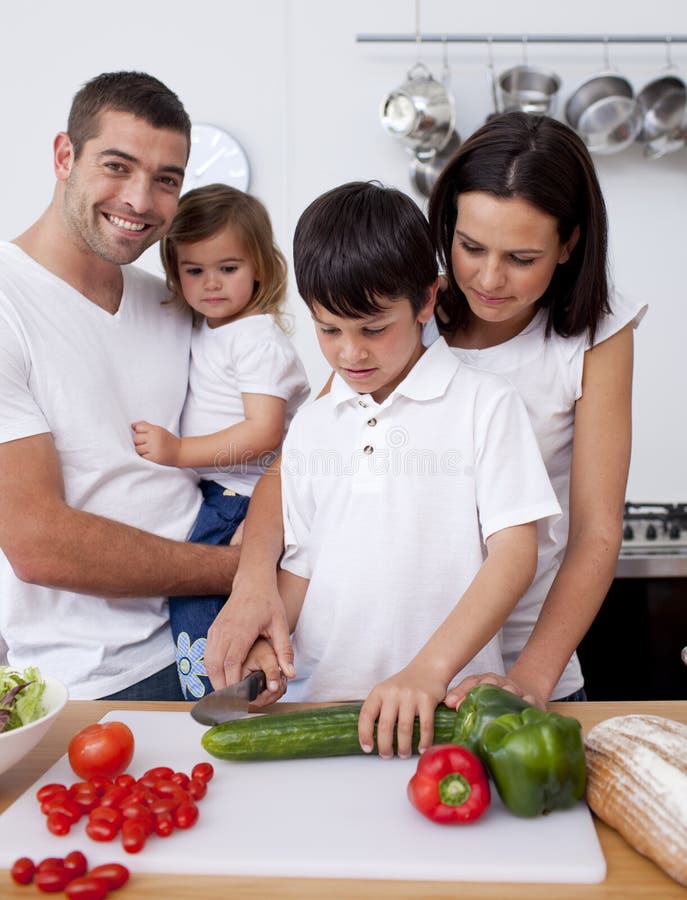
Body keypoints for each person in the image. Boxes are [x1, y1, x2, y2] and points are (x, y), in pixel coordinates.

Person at [204, 112, 645, 712]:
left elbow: (595, 532)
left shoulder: (584, 339)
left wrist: (530, 679)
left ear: (568, 244)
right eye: (470, 247)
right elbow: (304, 469)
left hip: (515, 665)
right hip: (373, 685)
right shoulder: (389, 313)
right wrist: (254, 583)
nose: (489, 279)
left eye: (522, 257)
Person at [239, 181, 561, 758]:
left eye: (373, 329)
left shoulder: (485, 405)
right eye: (328, 329)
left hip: (443, 712)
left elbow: (514, 556)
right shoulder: (313, 423)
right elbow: (303, 565)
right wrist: (269, 642)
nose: (350, 354)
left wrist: (428, 671)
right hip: (319, 711)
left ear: (427, 300)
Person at [0, 72, 243, 701]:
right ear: (65, 156)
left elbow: (261, 436)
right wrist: (245, 570)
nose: (140, 200)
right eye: (117, 166)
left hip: (224, 636)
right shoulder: (7, 304)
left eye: (166, 179)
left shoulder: (177, 301)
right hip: (100, 679)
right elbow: (38, 543)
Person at [131, 184, 310, 699]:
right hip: (223, 495)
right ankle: (226, 693)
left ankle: (218, 698)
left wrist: (178, 452)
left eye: (228, 268)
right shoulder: (211, 328)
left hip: (244, 499)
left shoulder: (256, 338)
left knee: (201, 599)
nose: (210, 283)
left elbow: (263, 430)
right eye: (194, 271)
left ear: (261, 268)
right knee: (204, 604)